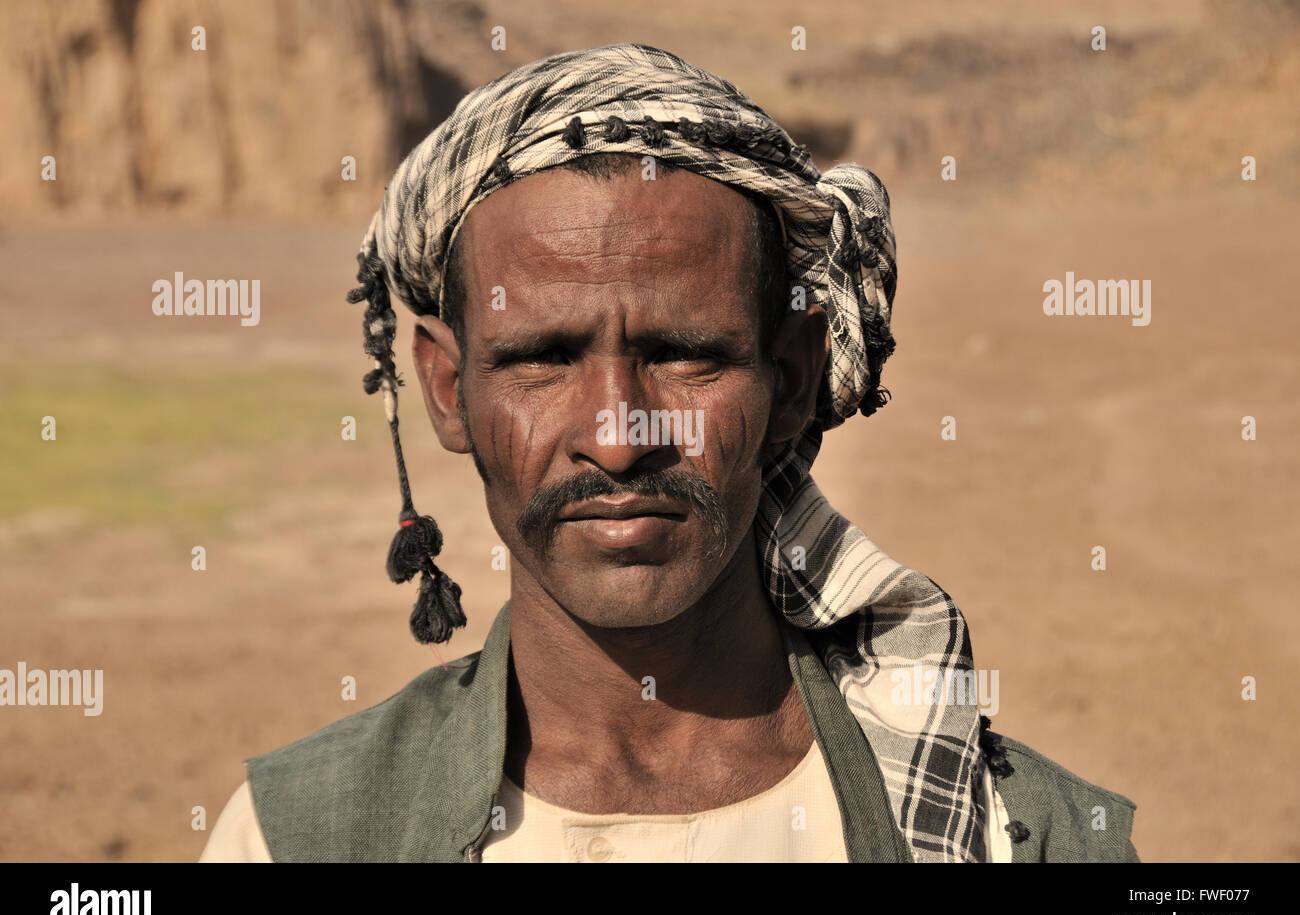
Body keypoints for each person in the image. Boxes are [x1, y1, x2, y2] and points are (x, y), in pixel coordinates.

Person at [200, 43, 1137, 863]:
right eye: (543, 359)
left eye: (686, 355)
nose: (618, 436)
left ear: (793, 377)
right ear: (449, 390)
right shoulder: (297, 839)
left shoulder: (1018, 834)